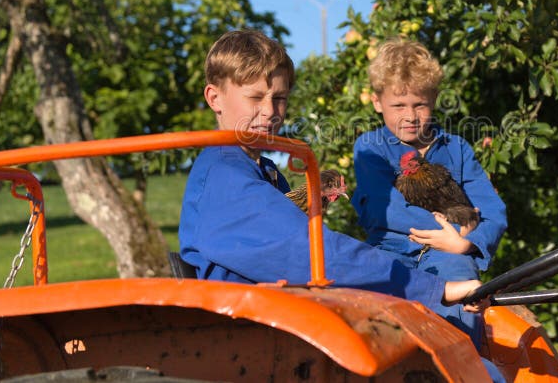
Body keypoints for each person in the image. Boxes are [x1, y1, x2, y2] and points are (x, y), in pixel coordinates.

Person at [178, 29, 483, 316]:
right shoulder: (225, 178)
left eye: (280, 98)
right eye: (255, 98)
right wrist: (432, 288)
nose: (270, 111)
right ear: (214, 98)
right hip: (258, 325)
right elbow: (314, 254)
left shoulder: (261, 171)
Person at [352, 39, 508, 349]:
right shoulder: (370, 149)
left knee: (461, 301)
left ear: (434, 100)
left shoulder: (457, 149)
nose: (410, 116)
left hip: (448, 252)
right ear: (376, 102)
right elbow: (390, 209)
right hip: (390, 251)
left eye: (419, 104)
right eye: (398, 105)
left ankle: (465, 367)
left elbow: (493, 211)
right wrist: (458, 222)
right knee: (372, 318)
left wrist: (466, 241)